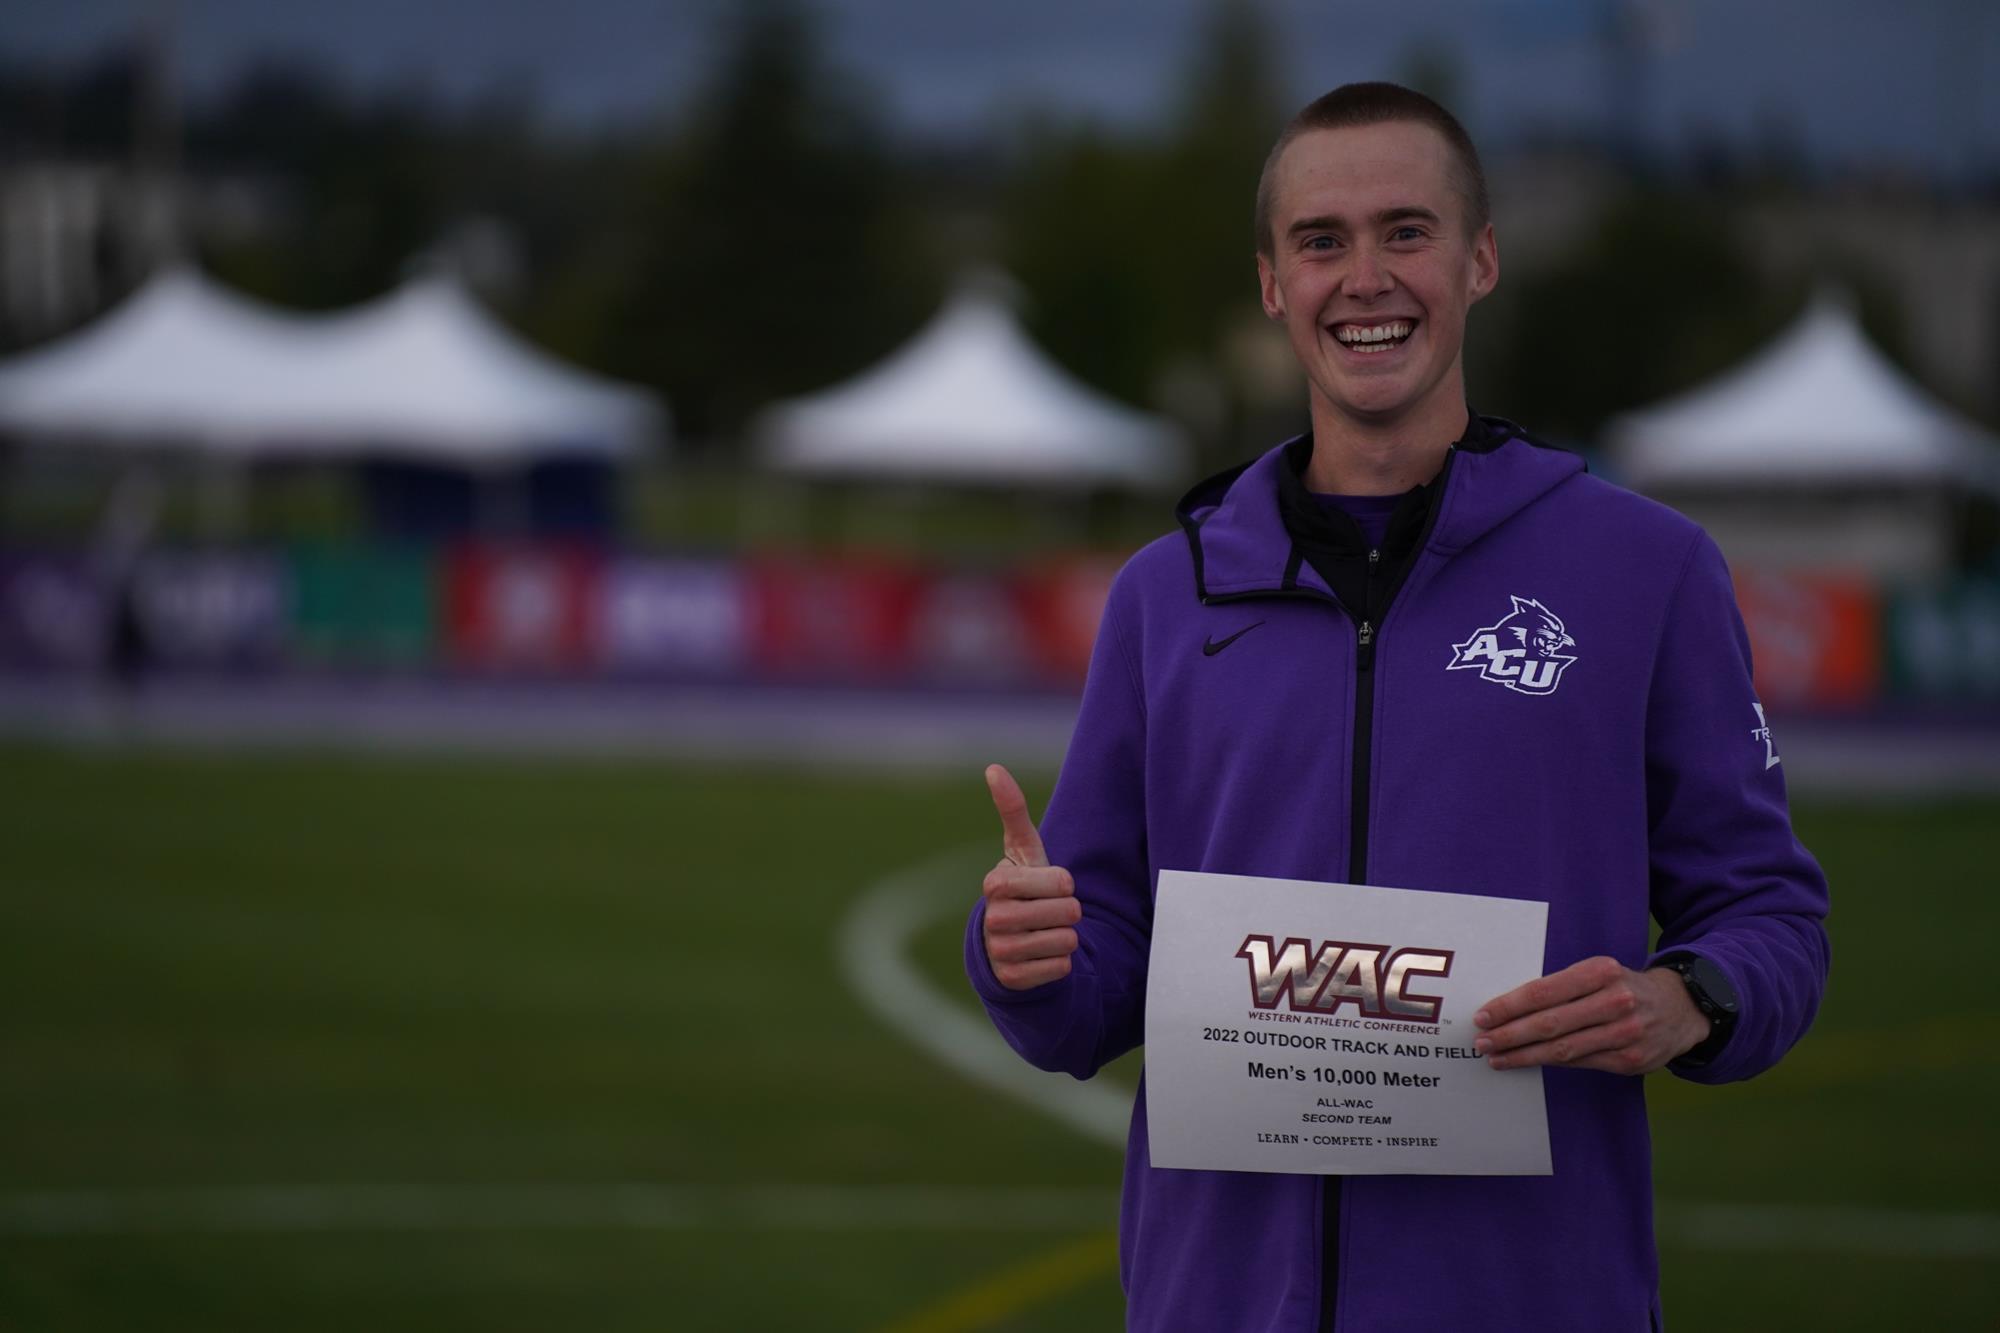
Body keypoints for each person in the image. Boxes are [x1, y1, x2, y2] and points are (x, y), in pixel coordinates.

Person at [964, 83, 1829, 1333]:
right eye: (1320, 241)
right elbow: (1094, 979)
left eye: (1404, 231)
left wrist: (1691, 994)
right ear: (1272, 284)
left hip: (1529, 1298)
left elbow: (1770, 911)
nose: (1362, 277)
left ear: (1478, 259)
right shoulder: (1166, 594)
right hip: (1219, 1303)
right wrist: (1024, 963)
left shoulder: (1644, 570)